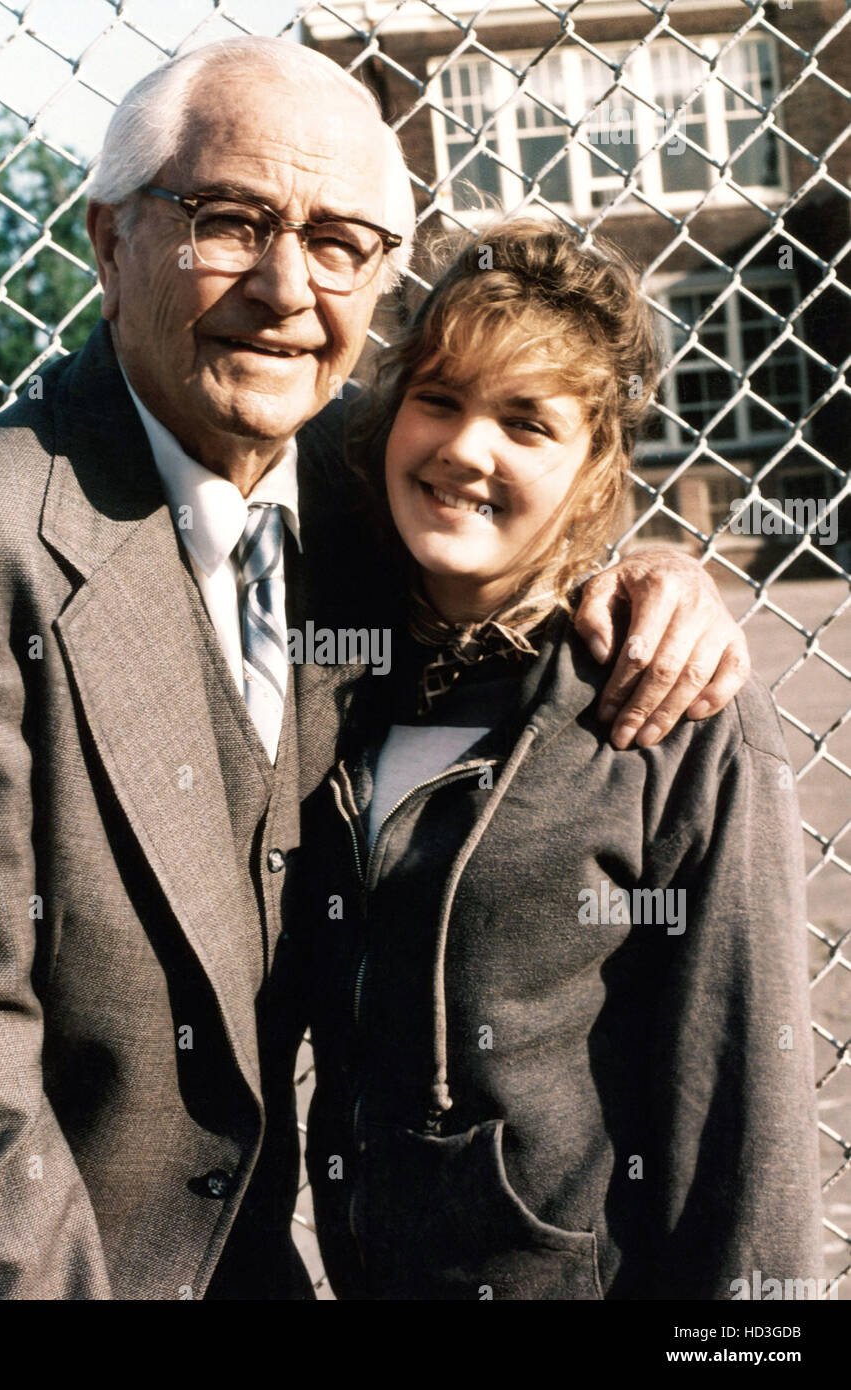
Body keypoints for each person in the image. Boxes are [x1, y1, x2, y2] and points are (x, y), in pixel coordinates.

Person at [0, 39, 750, 1301]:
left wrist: (650, 579)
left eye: (340, 241)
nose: (286, 287)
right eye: (229, 220)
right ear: (108, 240)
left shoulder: (355, 495)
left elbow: (517, 491)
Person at [293, 220, 822, 1300]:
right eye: (438, 398)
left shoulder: (664, 708)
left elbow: (742, 1116)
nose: (464, 449)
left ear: (592, 469)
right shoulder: (330, 662)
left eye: (526, 423)